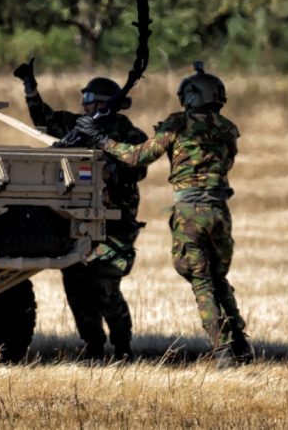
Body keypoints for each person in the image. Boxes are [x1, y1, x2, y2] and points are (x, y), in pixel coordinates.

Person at [76, 63, 252, 367]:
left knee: (201, 281)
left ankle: (223, 354)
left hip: (189, 211)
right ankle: (241, 343)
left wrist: (101, 140)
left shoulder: (176, 124)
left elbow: (138, 156)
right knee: (218, 277)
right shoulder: (227, 128)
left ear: (189, 96)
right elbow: (227, 161)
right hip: (220, 210)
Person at [13, 58, 147, 360]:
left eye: (88, 99)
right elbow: (43, 119)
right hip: (76, 221)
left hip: (115, 223)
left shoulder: (130, 134)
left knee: (106, 284)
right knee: (75, 285)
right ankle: (93, 346)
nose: (84, 105)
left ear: (103, 103)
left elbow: (135, 166)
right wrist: (30, 87)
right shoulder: (79, 127)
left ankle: (122, 346)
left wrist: (103, 144)